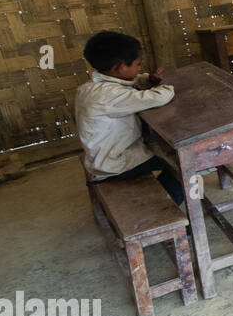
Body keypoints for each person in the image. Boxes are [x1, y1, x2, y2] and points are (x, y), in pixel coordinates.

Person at [75, 30, 183, 205]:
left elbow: (133, 82)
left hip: (105, 156)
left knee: (170, 153)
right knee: (185, 165)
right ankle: (159, 209)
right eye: (137, 64)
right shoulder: (106, 96)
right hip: (114, 164)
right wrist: (167, 86)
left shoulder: (92, 86)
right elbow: (159, 97)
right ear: (120, 67)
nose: (139, 68)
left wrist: (150, 80)